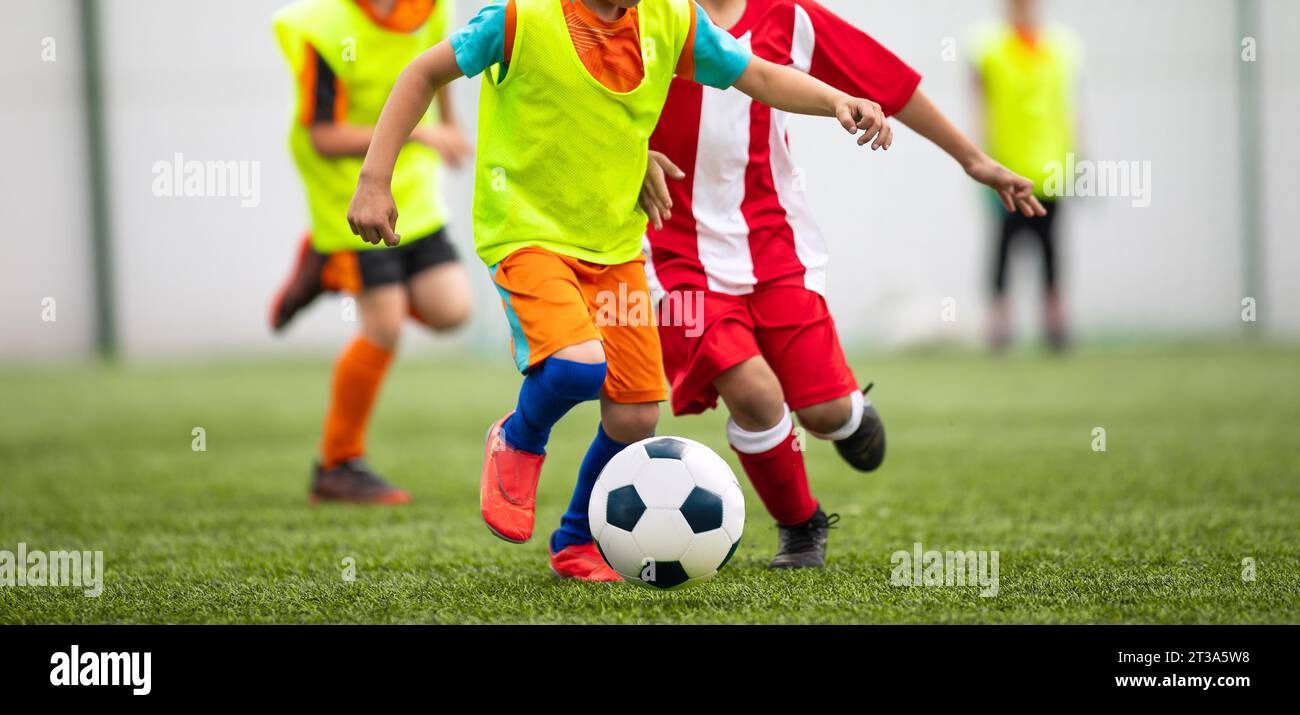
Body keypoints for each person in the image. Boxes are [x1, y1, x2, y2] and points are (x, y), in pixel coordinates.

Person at [348, 0, 899, 580]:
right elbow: (422, 72)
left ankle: (576, 540)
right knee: (579, 368)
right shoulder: (518, 19)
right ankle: (518, 437)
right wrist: (374, 179)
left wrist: (837, 99)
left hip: (616, 248)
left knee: (636, 415)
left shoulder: (671, 19)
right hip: (529, 237)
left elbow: (756, 74)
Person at [638, 0, 1044, 567]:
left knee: (822, 414)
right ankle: (801, 527)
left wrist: (973, 160)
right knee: (754, 393)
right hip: (673, 250)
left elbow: (885, 81)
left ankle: (847, 413)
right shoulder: (643, 16)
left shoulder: (787, 17)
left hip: (775, 246)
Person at [270, 0, 474, 505]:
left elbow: (436, 70)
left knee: (452, 310)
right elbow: (323, 137)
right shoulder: (323, 28)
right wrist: (422, 132)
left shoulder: (430, 9)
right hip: (350, 195)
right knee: (383, 327)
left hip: (412, 191)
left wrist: (448, 125)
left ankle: (328, 269)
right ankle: (337, 465)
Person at [971, 0, 1082, 350]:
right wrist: (980, 158)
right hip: (1006, 164)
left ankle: (1055, 322)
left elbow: (1068, 108)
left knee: (1050, 246)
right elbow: (981, 108)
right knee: (1003, 246)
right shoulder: (989, 49)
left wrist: (1078, 158)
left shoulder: (1061, 48)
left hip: (1050, 167)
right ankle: (1000, 324)